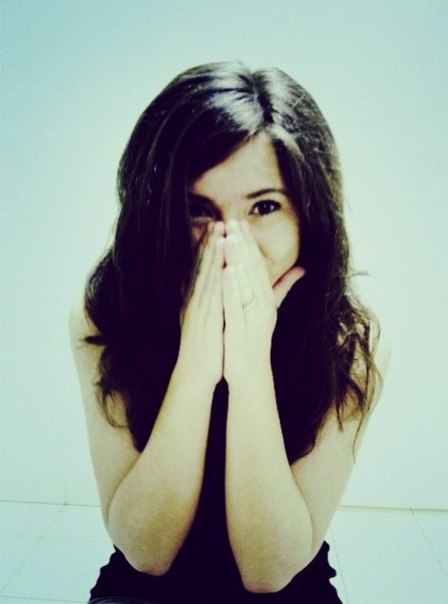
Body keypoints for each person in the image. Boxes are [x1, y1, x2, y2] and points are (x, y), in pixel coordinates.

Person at [69, 61, 387, 604]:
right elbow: (145, 553)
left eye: (264, 206)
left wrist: (248, 366)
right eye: (196, 210)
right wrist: (197, 363)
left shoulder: (350, 340)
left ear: (309, 216)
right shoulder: (106, 314)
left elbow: (270, 571)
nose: (228, 242)